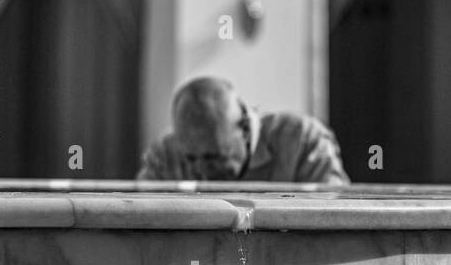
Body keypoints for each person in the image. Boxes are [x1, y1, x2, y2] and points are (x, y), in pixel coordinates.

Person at [137, 76, 349, 184]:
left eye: (214, 158)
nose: (201, 171)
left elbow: (335, 226)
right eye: (190, 159)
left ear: (246, 129)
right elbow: (137, 224)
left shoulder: (304, 142)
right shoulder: (165, 154)